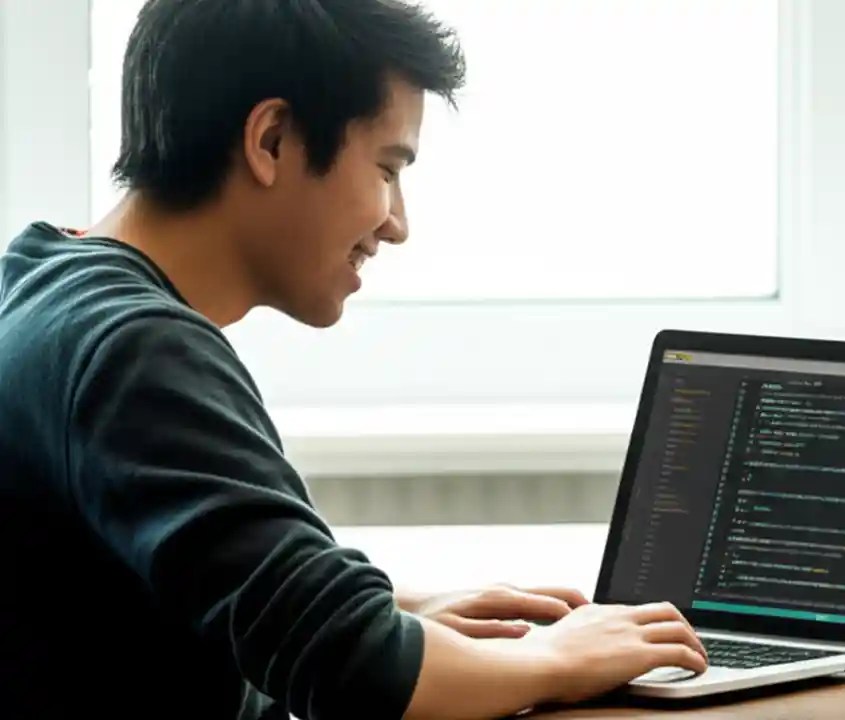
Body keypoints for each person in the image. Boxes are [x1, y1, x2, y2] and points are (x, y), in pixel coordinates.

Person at [0, 1, 707, 718]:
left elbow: (189, 578)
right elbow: (352, 667)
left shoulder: (49, 281)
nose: (397, 223)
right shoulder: (135, 349)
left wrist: (392, 610)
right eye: (387, 167)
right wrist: (553, 657)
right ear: (272, 140)